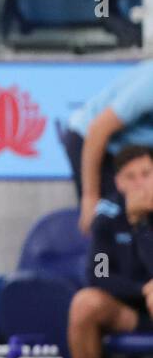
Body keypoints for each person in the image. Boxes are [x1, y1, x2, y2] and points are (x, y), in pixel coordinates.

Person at [69, 144, 153, 358]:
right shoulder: (107, 218)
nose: (140, 183)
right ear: (118, 183)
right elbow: (100, 275)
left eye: (146, 173)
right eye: (131, 176)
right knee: (84, 303)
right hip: (130, 311)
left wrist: (143, 228)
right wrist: (142, 289)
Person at [65, 60, 153, 233]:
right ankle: (101, 260)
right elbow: (98, 129)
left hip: (134, 147)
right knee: (109, 219)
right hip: (91, 140)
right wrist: (90, 197)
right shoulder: (150, 85)